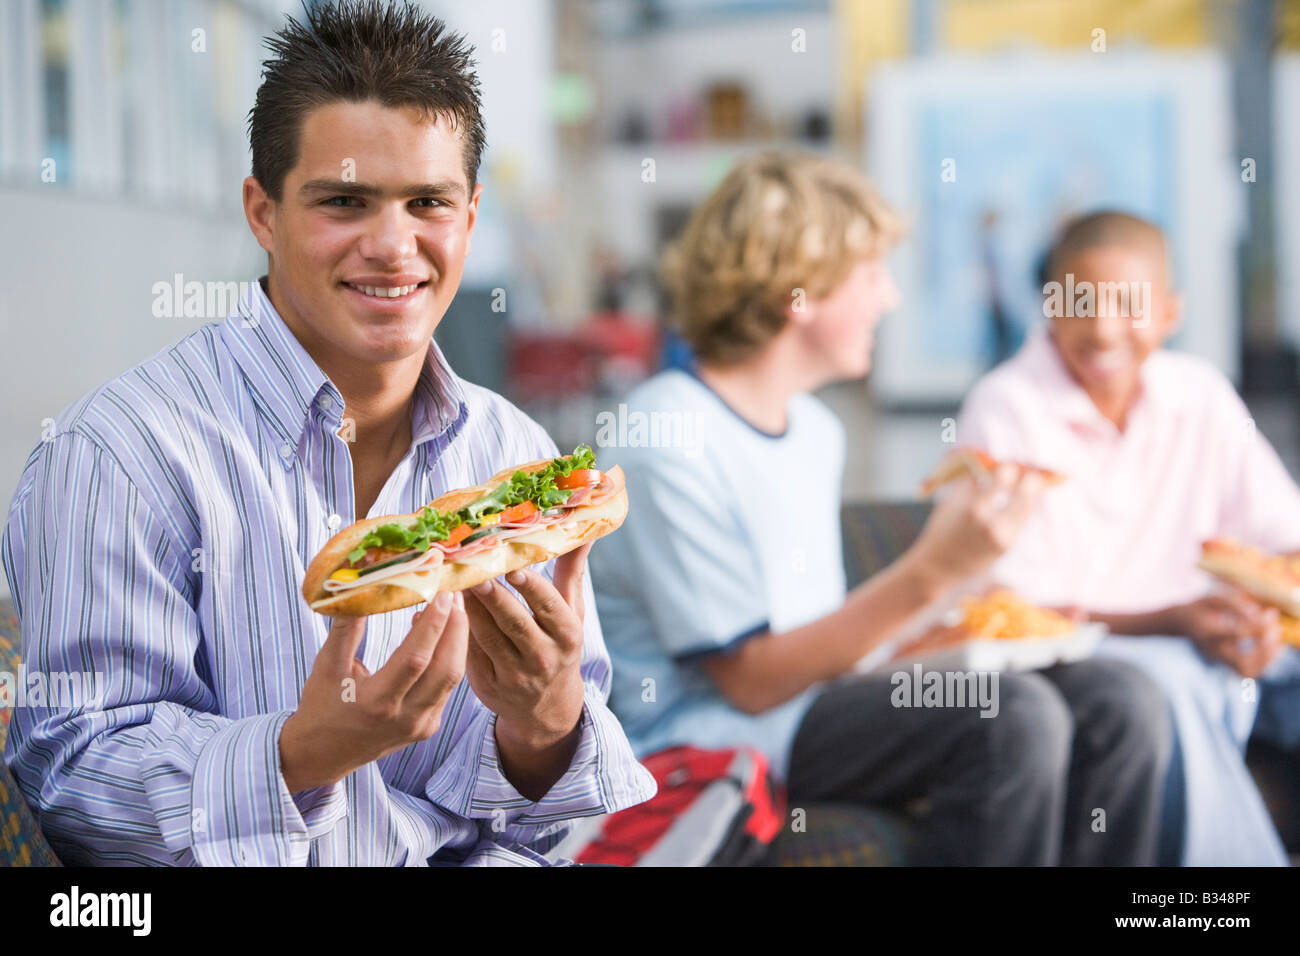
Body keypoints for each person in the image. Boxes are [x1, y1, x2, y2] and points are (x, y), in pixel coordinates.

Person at [1, 0, 653, 866]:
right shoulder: (120, 454)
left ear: (469, 215)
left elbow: (550, 825)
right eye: (344, 201)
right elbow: (70, 786)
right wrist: (305, 751)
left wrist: (545, 724)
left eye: (428, 201)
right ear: (262, 213)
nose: (393, 245)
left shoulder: (516, 456)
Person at [591, 152, 1172, 865]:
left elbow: (820, 631)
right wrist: (931, 572)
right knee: (1012, 719)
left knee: (1121, 699)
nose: (889, 298)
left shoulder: (814, 430)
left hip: (817, 700)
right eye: (871, 274)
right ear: (798, 291)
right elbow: (748, 680)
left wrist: (937, 625)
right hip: (719, 731)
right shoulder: (665, 436)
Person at [957, 209, 1299, 865]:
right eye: (1080, 302)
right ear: (1049, 307)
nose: (1104, 328)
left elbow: (1283, 537)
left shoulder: (1200, 393)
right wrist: (1176, 620)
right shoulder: (1005, 408)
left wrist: (1259, 617)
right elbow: (1016, 614)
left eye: (1130, 304)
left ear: (1170, 312)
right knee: (1161, 688)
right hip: (1101, 655)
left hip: (1217, 641)